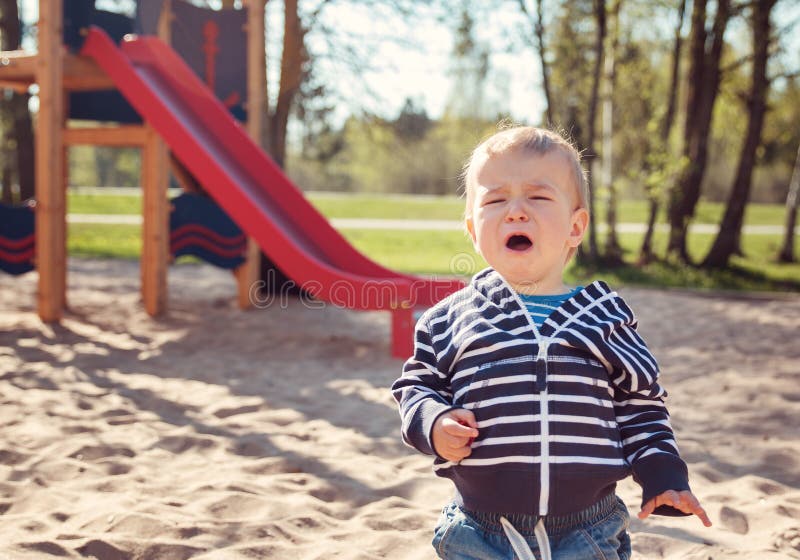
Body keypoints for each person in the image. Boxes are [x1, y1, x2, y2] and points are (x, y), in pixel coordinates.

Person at [391, 126, 711, 560]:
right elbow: (415, 389)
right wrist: (433, 421)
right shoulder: (446, 320)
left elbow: (641, 403)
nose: (516, 212)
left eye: (537, 198)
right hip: (479, 531)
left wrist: (664, 474)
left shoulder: (605, 317)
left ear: (575, 227)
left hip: (586, 529)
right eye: (495, 199)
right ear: (472, 227)